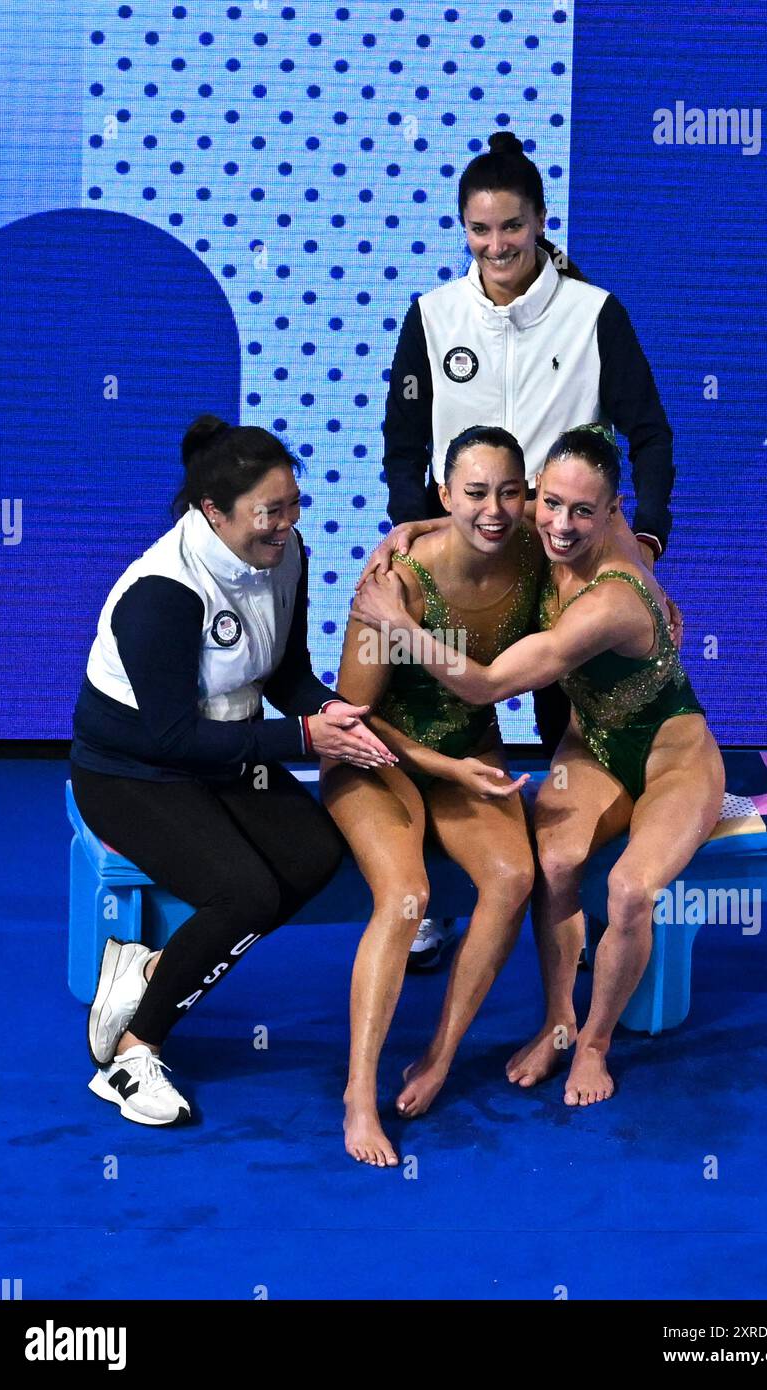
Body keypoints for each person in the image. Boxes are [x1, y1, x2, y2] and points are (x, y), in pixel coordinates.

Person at [352, 424, 725, 1107]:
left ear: (613, 511)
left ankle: (593, 1044)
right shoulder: (539, 516)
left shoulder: (611, 596)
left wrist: (398, 625)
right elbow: (482, 511)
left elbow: (487, 684)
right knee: (552, 864)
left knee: (628, 891)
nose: (559, 523)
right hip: (594, 748)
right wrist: (410, 526)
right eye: (548, 503)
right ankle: (558, 1021)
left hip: (674, 756)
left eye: (583, 511)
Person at [379, 129, 675, 966]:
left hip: (564, 561)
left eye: (511, 227)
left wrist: (645, 534)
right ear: (462, 230)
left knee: (573, 725)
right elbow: (402, 439)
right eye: (479, 230)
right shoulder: (434, 317)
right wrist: (417, 524)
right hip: (460, 555)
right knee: (435, 714)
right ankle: (426, 897)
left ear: (541, 223)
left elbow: (649, 434)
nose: (496, 246)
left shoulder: (593, 314)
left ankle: (577, 894)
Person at [70, 415, 397, 1126]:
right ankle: (133, 1054)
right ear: (211, 511)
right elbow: (171, 736)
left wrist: (335, 714)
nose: (285, 524)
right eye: (268, 512)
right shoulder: (163, 592)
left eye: (292, 505)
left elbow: (284, 673)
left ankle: (149, 970)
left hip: (223, 751)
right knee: (243, 893)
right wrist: (306, 739)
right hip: (131, 769)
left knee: (312, 858)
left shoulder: (288, 555)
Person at [320, 426, 543, 1166]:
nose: (493, 509)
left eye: (509, 492)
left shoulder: (537, 557)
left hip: (467, 755)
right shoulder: (397, 583)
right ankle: (359, 1093)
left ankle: (441, 1055)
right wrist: (442, 770)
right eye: (474, 493)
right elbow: (350, 717)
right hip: (375, 756)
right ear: (444, 495)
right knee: (407, 895)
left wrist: (655, 590)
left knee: (513, 877)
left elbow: (605, 531)